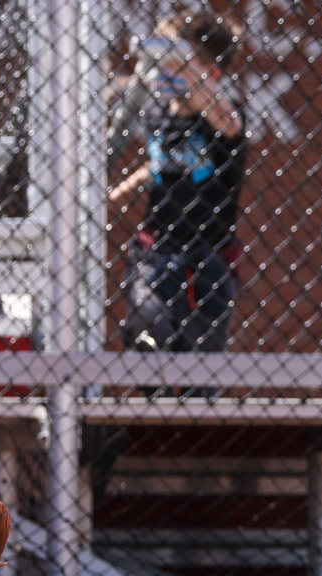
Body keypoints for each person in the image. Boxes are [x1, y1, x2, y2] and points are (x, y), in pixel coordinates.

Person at [108, 12, 245, 355]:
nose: (165, 71)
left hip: (210, 252)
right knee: (147, 325)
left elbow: (228, 123)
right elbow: (160, 162)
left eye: (177, 62)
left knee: (201, 358)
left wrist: (190, 74)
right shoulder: (158, 112)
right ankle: (150, 351)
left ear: (210, 73)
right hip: (157, 247)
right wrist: (114, 195)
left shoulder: (224, 116)